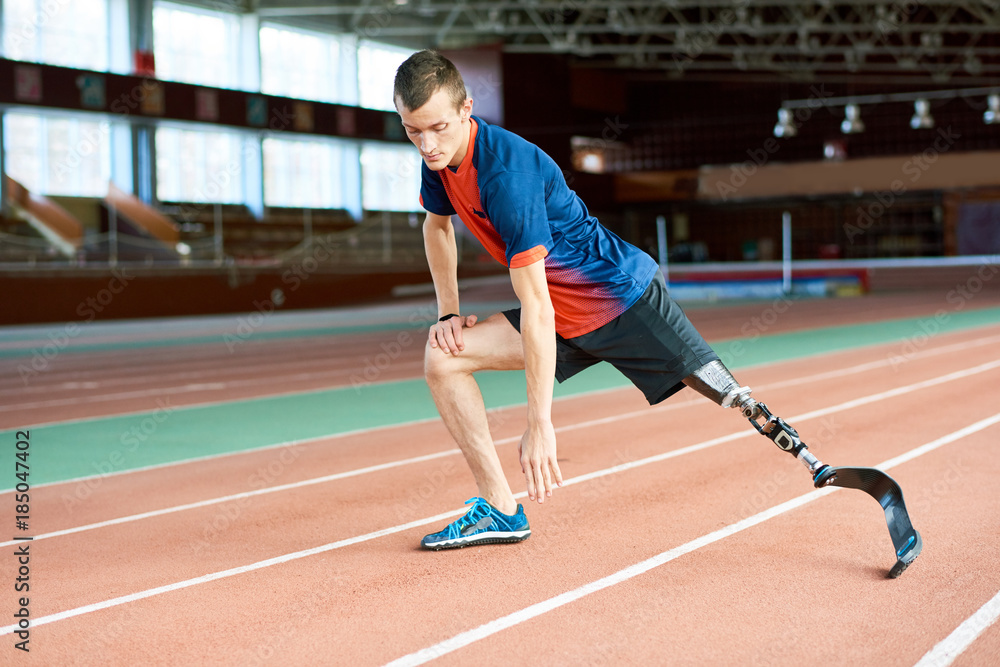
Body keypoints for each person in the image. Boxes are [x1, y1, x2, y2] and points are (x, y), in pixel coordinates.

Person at [393, 50, 816, 550]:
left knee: (725, 390)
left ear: (467, 109)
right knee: (442, 358)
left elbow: (536, 307)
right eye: (413, 131)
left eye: (437, 128)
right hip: (560, 316)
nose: (426, 144)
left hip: (620, 298)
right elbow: (437, 226)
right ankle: (501, 509)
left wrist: (539, 423)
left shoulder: (507, 176)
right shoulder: (439, 156)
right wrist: (447, 311)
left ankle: (817, 463)